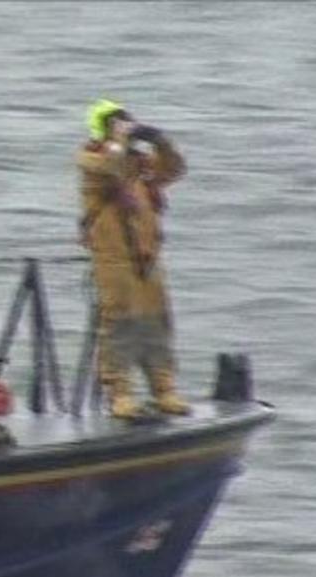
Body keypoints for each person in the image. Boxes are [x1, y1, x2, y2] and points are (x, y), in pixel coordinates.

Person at [77, 98, 191, 419]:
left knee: (157, 321)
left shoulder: (141, 167)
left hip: (146, 258)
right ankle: (120, 393)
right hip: (112, 257)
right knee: (118, 322)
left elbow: (175, 169)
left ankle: (164, 387)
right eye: (116, 122)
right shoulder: (91, 159)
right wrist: (118, 140)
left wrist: (160, 141)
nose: (125, 127)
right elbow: (109, 168)